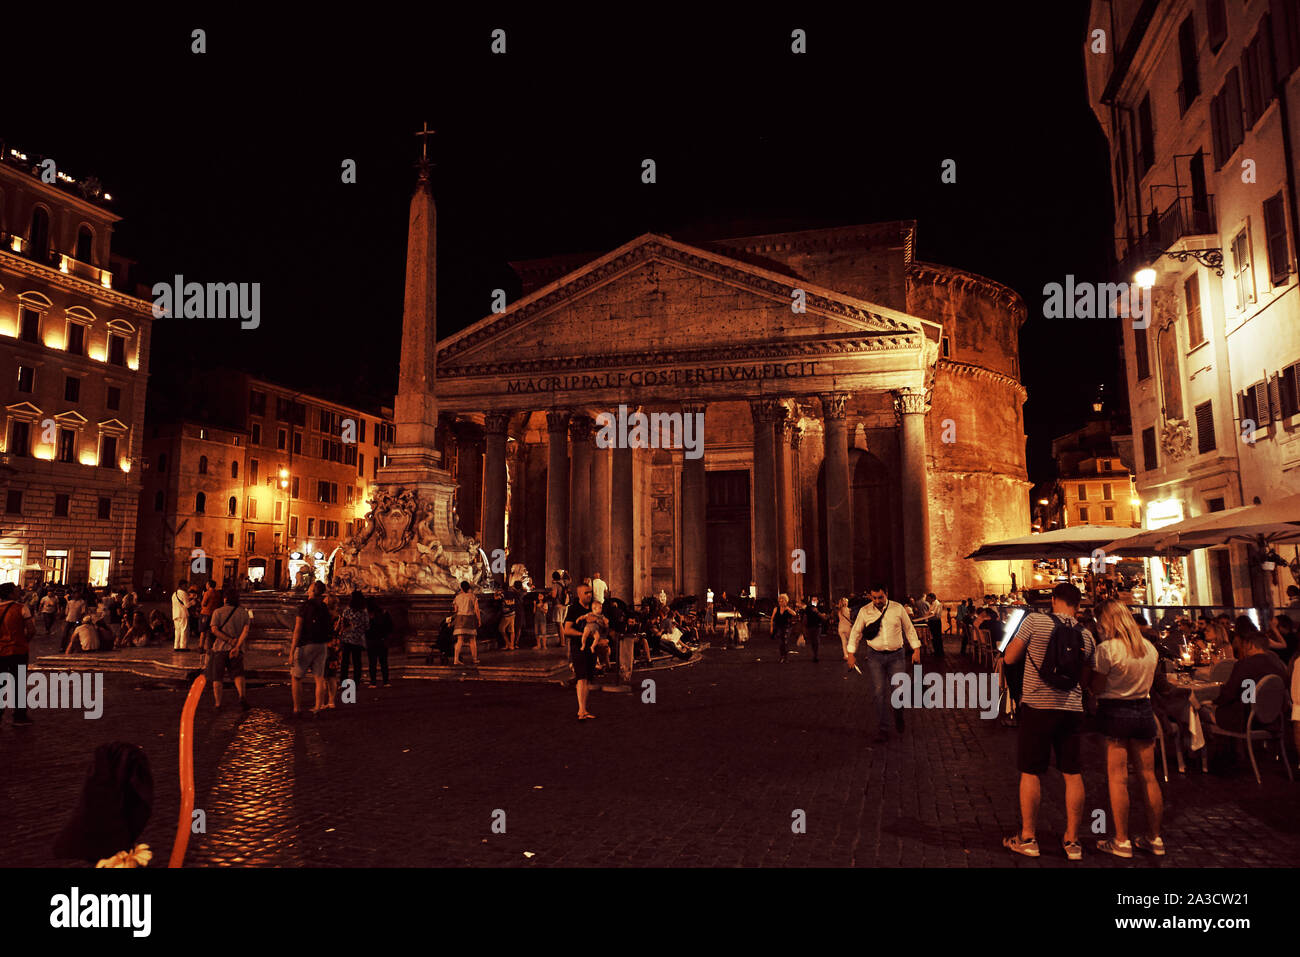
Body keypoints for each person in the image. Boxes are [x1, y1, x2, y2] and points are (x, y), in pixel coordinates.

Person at [1001, 582, 1096, 861]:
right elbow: (1086, 678)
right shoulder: (1086, 635)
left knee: (1031, 771)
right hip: (1071, 708)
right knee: (1072, 773)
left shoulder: (1034, 621)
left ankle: (1028, 837)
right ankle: (1072, 841)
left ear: (1053, 600)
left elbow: (1010, 657)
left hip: (1038, 706)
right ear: (1078, 605)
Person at [1089, 599, 1164, 859]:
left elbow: (1097, 688)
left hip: (1114, 711)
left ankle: (1121, 840)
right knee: (1148, 776)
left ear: (1107, 622)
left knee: (1118, 778)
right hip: (1143, 710)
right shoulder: (1149, 649)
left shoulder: (1107, 650)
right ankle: (1155, 837)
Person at [845, 583, 922, 743]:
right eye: (874, 598)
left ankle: (899, 715)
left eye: (880, 597)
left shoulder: (897, 608)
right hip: (875, 657)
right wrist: (851, 653)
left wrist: (916, 649)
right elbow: (856, 632)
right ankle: (883, 729)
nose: (877, 600)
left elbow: (909, 628)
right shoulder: (865, 611)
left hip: (897, 655)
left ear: (886, 594)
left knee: (898, 691)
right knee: (879, 693)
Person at [1201, 617, 1287, 735]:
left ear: (1250, 645)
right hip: (1273, 720)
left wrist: (1214, 702)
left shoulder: (1244, 665)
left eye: (1245, 645)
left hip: (1246, 720)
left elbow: (1229, 693)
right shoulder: (1277, 665)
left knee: (1202, 710)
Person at [288, 580, 332, 715]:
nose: (308, 590)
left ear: (313, 592)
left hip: (305, 645)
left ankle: (297, 708)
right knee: (319, 678)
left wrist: (292, 651)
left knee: (296, 677)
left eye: (310, 588)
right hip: (321, 645)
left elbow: (298, 629)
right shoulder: (324, 607)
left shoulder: (305, 606)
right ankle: (317, 707)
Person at [207, 589, 252, 710]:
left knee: (218, 677)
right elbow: (246, 631)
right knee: (238, 674)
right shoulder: (243, 613)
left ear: (225, 599)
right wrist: (236, 646)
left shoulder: (217, 612)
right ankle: (242, 696)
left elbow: (214, 630)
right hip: (236, 650)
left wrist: (227, 640)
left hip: (219, 649)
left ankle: (218, 703)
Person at [0, 582, 36, 726]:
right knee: (19, 684)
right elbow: (31, 630)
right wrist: (24, 641)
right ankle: (19, 716)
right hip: (18, 651)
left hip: (1, 652)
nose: (18, 591)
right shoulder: (22, 608)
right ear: (10, 594)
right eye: (15, 590)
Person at [563, 582, 597, 720]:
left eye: (590, 592)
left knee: (587, 678)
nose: (589, 595)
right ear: (579, 595)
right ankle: (581, 710)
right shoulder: (574, 609)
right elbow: (567, 630)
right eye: (586, 593)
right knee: (581, 678)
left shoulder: (595, 608)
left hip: (591, 648)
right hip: (579, 647)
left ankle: (584, 709)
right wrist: (584, 635)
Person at [337, 590, 369, 692]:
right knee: (357, 662)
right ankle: (356, 682)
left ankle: (343, 682)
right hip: (357, 639)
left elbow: (343, 623)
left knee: (345, 662)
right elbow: (367, 625)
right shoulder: (363, 612)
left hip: (346, 638)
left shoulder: (347, 610)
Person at [365, 597, 393, 687]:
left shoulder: (367, 615)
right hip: (382, 640)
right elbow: (390, 626)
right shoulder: (384, 613)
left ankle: (373, 682)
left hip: (371, 641)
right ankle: (386, 681)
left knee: (372, 663)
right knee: (383, 662)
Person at [452, 580, 480, 666]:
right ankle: (474, 659)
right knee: (472, 639)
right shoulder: (473, 597)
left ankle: (456, 659)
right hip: (469, 618)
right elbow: (476, 610)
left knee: (459, 640)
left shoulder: (457, 597)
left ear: (461, 588)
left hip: (460, 619)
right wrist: (479, 620)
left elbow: (455, 610)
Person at [770, 593, 796, 664]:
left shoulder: (788, 609)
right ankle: (782, 656)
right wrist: (771, 627)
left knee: (785, 641)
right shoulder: (776, 609)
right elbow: (772, 619)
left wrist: (788, 609)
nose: (781, 603)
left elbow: (794, 614)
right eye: (780, 601)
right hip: (779, 627)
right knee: (781, 642)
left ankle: (785, 657)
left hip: (787, 627)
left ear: (786, 601)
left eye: (782, 601)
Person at [802, 595, 826, 663]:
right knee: (812, 641)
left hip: (817, 626)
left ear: (818, 601)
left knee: (816, 640)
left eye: (815, 600)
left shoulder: (820, 607)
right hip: (809, 626)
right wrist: (804, 627)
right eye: (813, 600)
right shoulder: (808, 608)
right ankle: (814, 653)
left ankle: (816, 655)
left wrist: (817, 612)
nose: (814, 601)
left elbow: (824, 618)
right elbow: (805, 617)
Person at [199, 580, 221, 650]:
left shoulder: (207, 593)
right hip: (214, 613)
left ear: (208, 585)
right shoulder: (218, 593)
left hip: (205, 613)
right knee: (212, 631)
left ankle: (201, 646)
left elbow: (203, 603)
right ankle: (210, 646)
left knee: (203, 631)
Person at [171, 579, 191, 651]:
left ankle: (176, 646)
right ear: (182, 585)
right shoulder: (183, 593)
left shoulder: (174, 594)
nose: (187, 587)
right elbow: (187, 605)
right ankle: (183, 646)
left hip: (175, 614)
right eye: (186, 585)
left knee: (177, 631)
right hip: (183, 614)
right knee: (184, 630)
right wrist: (193, 602)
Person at [499, 580, 518, 651]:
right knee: (511, 630)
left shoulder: (503, 594)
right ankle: (511, 645)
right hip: (513, 613)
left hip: (506, 615)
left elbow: (496, 598)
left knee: (501, 629)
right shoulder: (512, 593)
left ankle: (508, 643)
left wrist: (496, 593)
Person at [924, 591, 944, 658]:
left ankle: (939, 652)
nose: (927, 600)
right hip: (932, 622)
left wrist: (928, 615)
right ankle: (936, 651)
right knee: (934, 638)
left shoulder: (937, 604)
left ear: (932, 598)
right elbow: (929, 612)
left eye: (928, 598)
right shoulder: (932, 604)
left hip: (936, 622)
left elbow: (934, 614)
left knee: (937, 637)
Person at [836, 597, 853, 661]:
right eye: (846, 601)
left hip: (840, 627)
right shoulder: (848, 610)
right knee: (849, 642)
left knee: (844, 642)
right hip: (847, 627)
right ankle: (849, 654)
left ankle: (845, 655)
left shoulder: (839, 610)